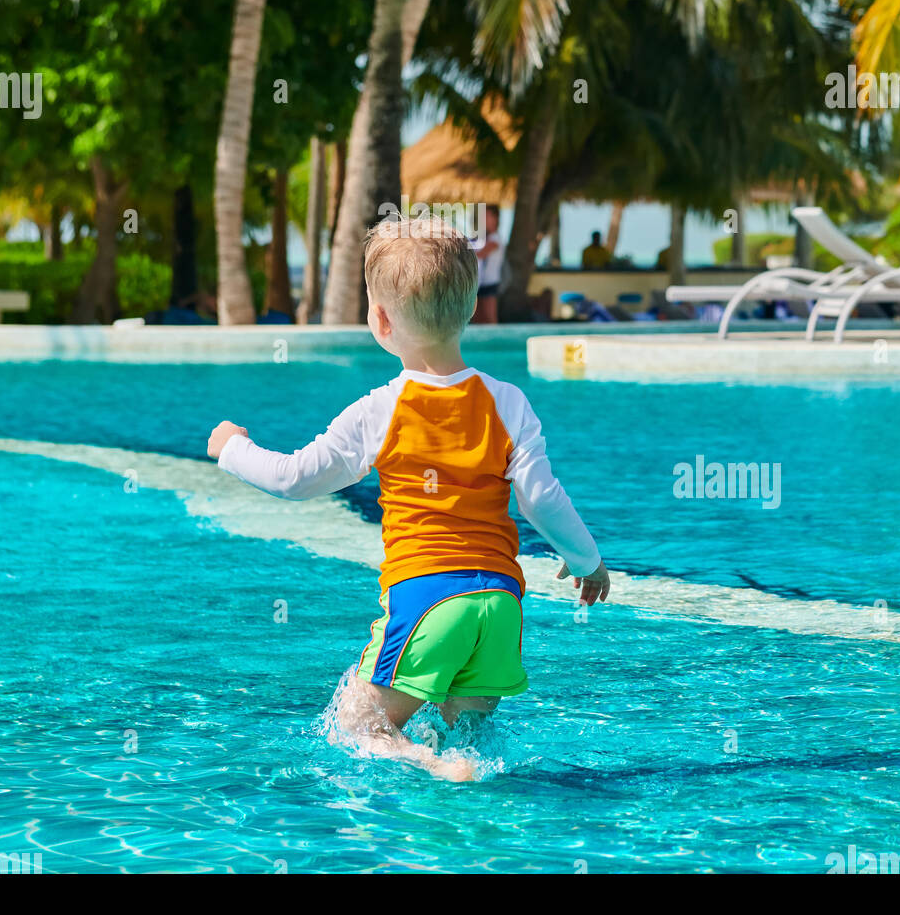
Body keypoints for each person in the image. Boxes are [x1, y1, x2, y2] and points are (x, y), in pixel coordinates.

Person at [206, 218, 610, 779]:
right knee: (473, 739)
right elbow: (541, 499)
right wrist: (588, 561)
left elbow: (293, 478)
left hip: (426, 598)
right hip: (500, 607)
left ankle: (427, 764)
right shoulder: (508, 402)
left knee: (358, 725)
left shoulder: (379, 412)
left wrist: (231, 448)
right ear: (470, 308)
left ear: (379, 320)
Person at [470, 203, 504, 323]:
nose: (483, 219)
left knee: (490, 320)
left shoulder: (495, 239)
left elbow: (479, 255)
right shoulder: (484, 238)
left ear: (496, 219)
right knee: (478, 319)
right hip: (480, 284)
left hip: (490, 284)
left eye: (487, 216)